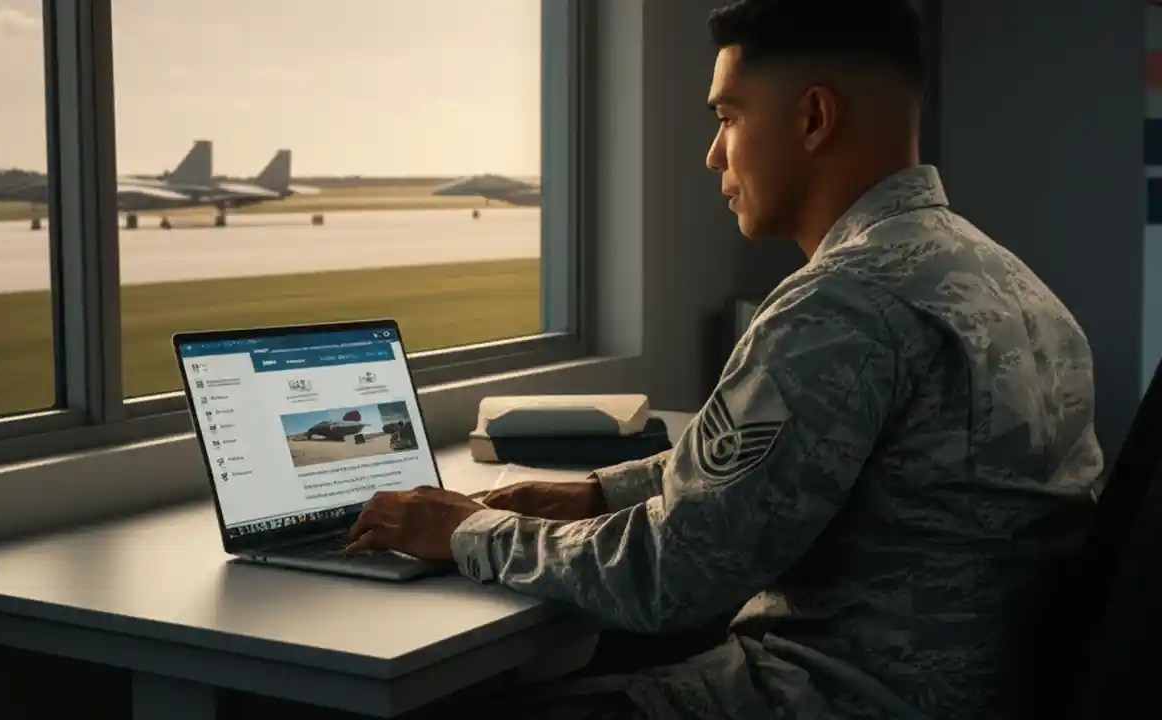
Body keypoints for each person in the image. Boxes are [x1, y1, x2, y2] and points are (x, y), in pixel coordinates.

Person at [345, 0, 1104, 717]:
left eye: (727, 116)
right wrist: (596, 494)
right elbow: (796, 471)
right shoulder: (1014, 284)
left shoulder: (840, 305)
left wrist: (463, 534)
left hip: (829, 695)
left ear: (813, 117)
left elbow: (671, 576)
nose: (713, 155)